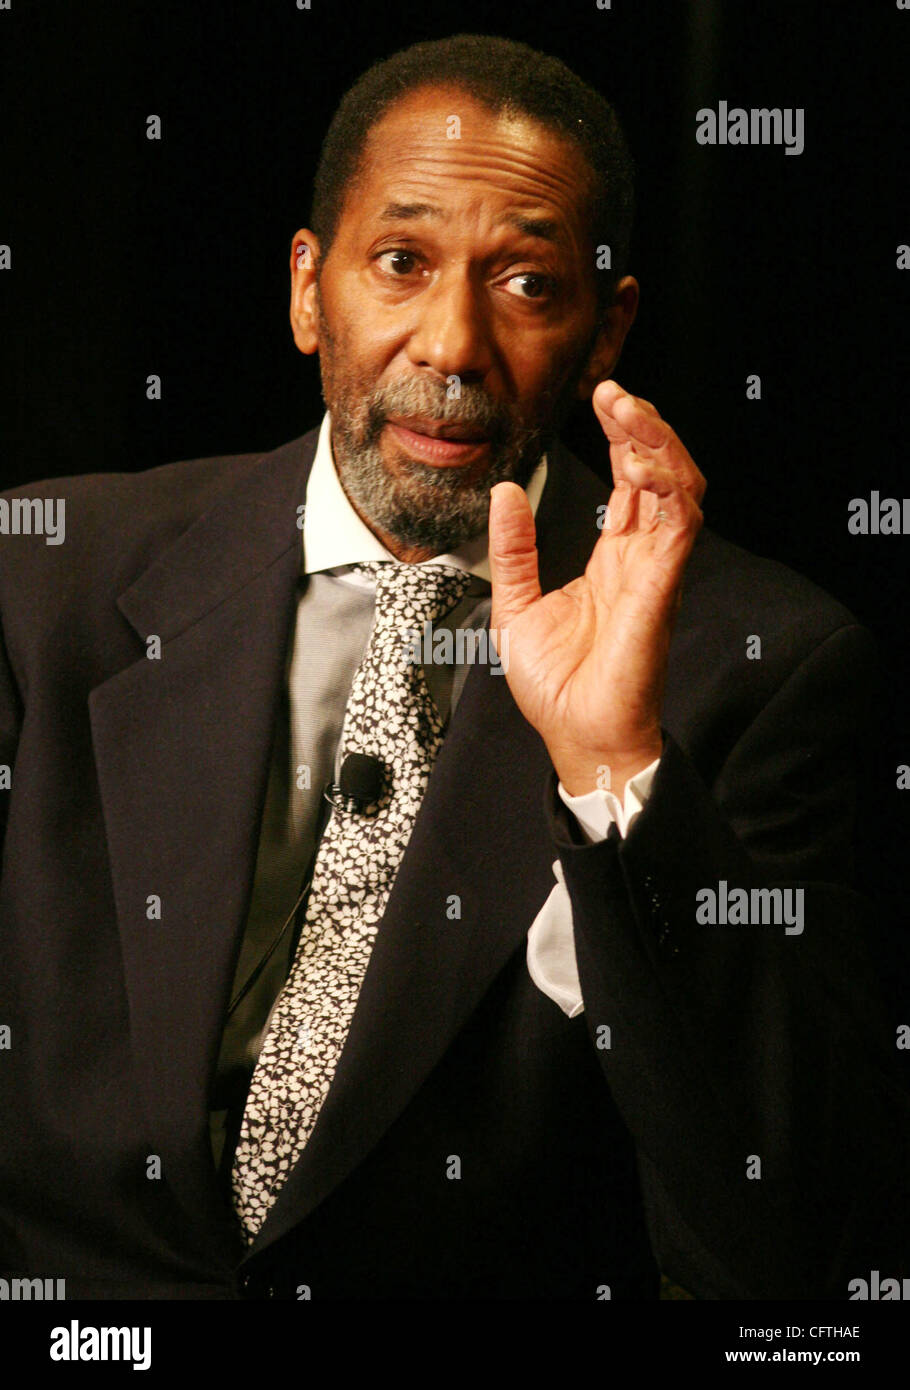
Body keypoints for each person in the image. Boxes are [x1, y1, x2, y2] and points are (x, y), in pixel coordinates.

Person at [0, 33, 906, 1301]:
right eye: (401, 262)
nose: (452, 345)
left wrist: (612, 770)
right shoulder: (43, 579)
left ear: (606, 329)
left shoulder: (766, 668)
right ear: (308, 289)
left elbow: (784, 1241)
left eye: (527, 283)